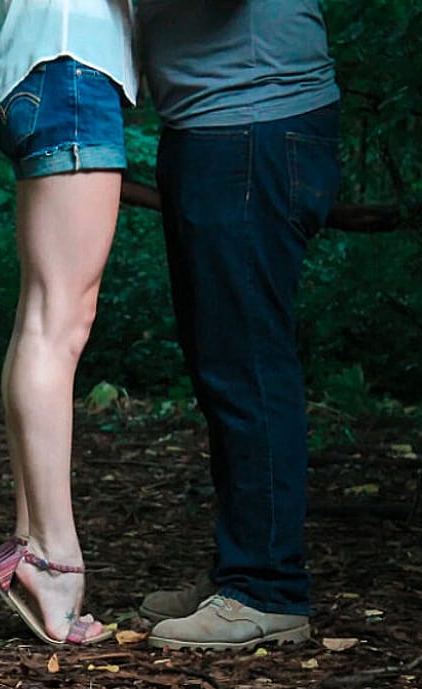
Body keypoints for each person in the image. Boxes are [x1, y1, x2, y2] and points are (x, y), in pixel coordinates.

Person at [135, 0, 343, 650]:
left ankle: (266, 589)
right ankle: (242, 569)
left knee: (247, 364)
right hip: (221, 126)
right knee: (222, 365)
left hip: (252, 123)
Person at [0, 0, 138, 646]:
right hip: (72, 65)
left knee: (42, 317)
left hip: (39, 67)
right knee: (59, 322)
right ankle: (51, 557)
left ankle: (31, 541)